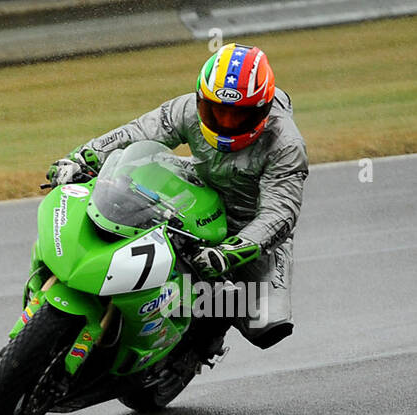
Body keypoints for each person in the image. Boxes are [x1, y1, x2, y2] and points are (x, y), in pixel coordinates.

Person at [48, 42, 308, 357]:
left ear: (262, 112)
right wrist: (79, 158)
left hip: (247, 223)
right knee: (125, 183)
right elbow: (135, 133)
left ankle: (204, 331)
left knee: (265, 323)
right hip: (198, 187)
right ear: (201, 99)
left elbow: (279, 215)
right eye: (215, 111)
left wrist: (228, 254)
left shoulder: (286, 144)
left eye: (237, 117)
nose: (224, 123)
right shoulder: (186, 109)